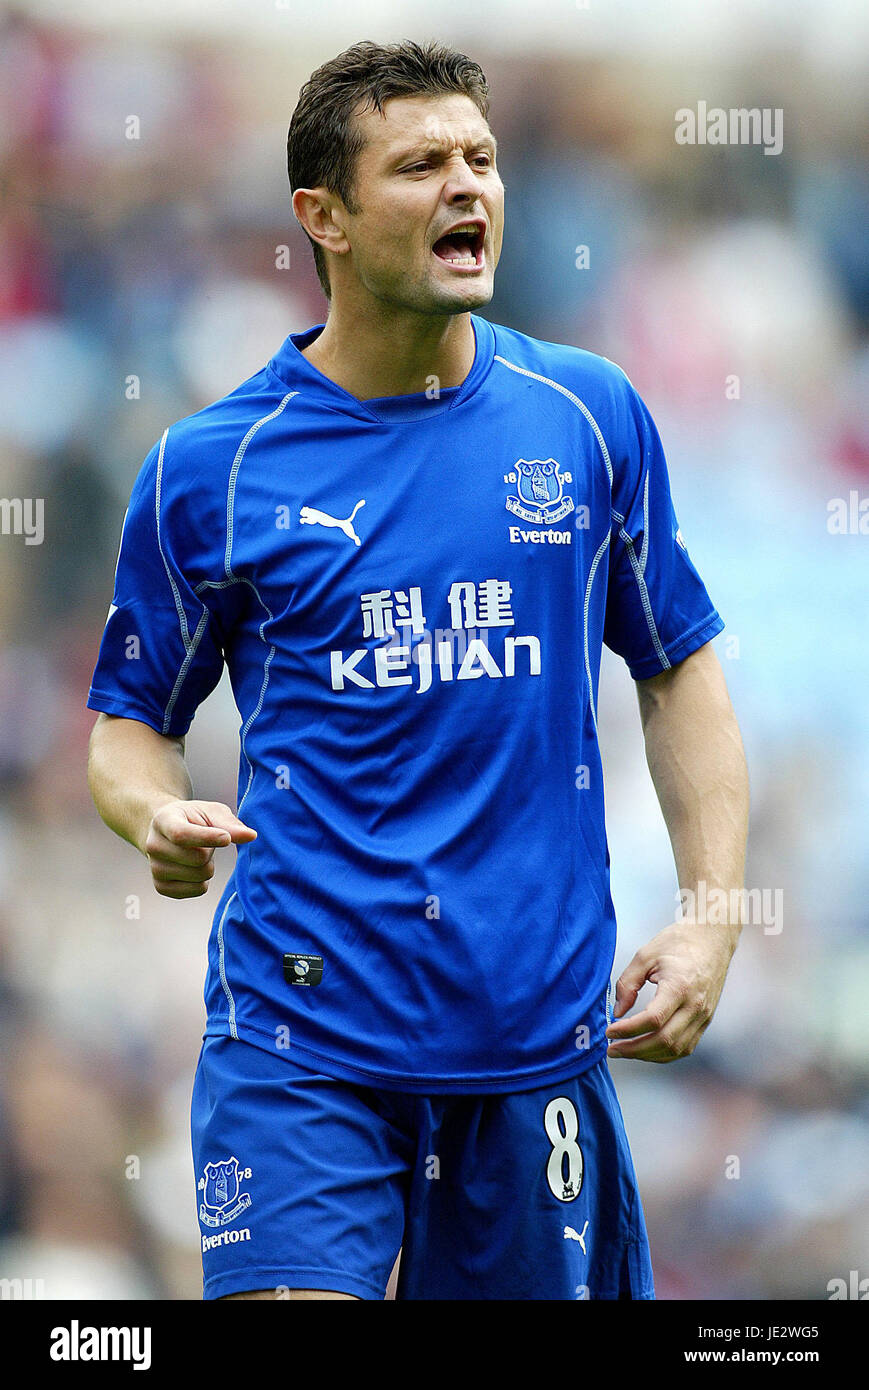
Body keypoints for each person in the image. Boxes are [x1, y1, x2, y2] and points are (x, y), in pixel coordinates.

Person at [86, 39, 749, 1301]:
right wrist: (151, 815)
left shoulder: (586, 416)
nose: (467, 188)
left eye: (481, 160)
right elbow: (128, 723)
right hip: (302, 1036)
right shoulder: (210, 469)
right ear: (320, 217)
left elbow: (678, 668)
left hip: (531, 1048)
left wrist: (713, 917)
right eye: (421, 165)